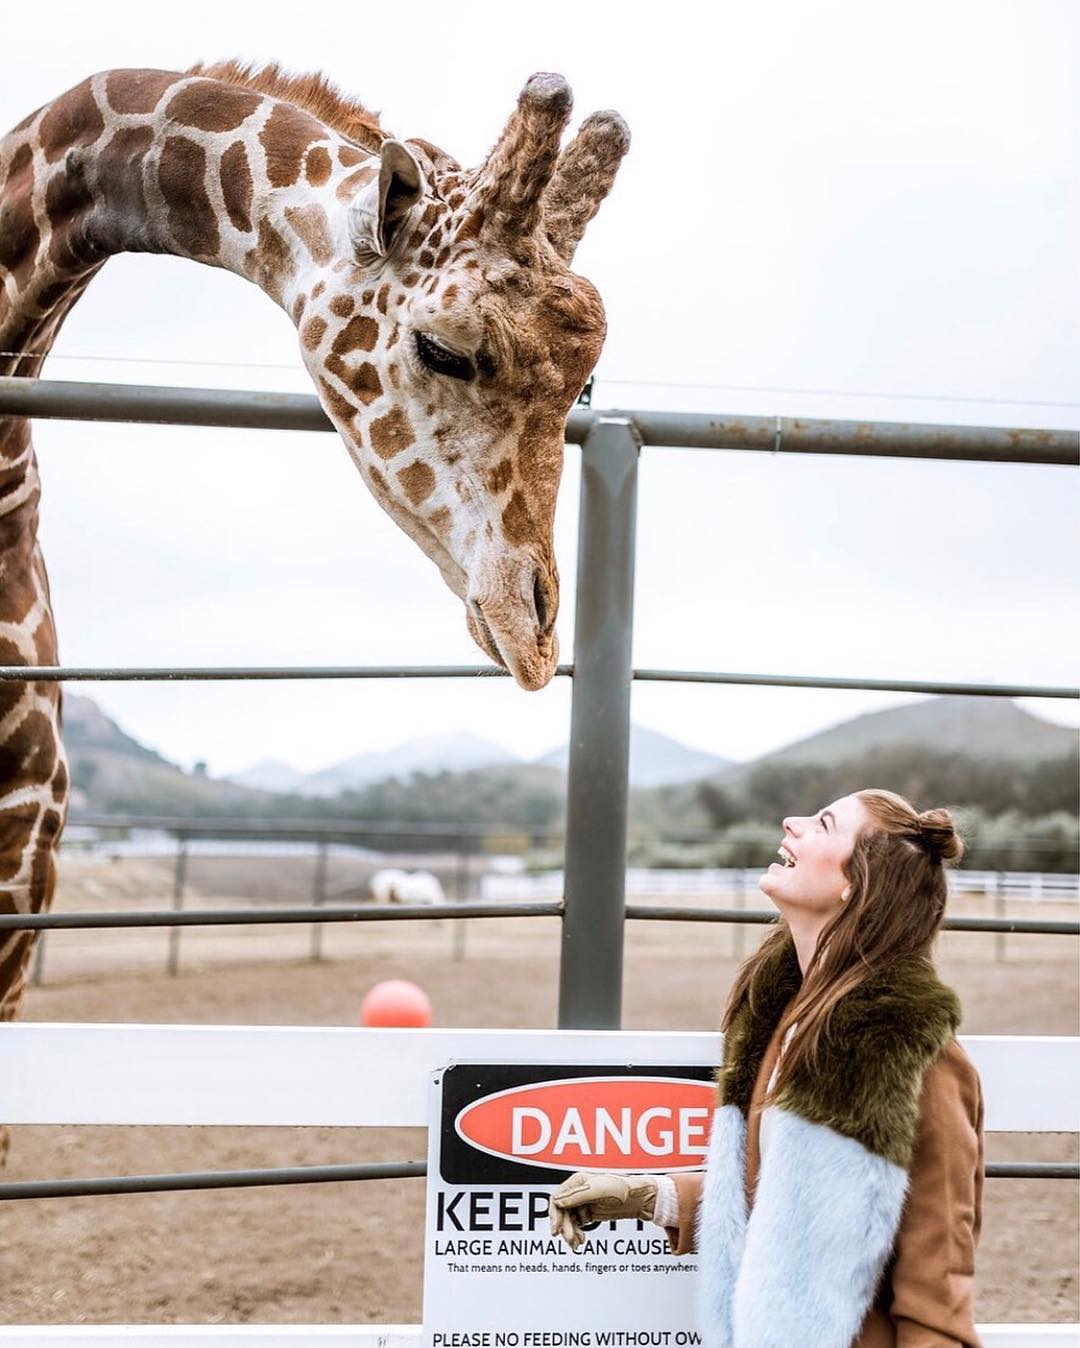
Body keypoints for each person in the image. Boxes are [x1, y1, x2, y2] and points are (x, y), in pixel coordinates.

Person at [549, 789, 984, 1348]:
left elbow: (936, 1291)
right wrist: (643, 1195)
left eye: (823, 824)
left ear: (858, 882)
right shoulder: (785, 1022)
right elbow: (787, 1199)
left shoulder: (914, 1051)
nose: (791, 822)